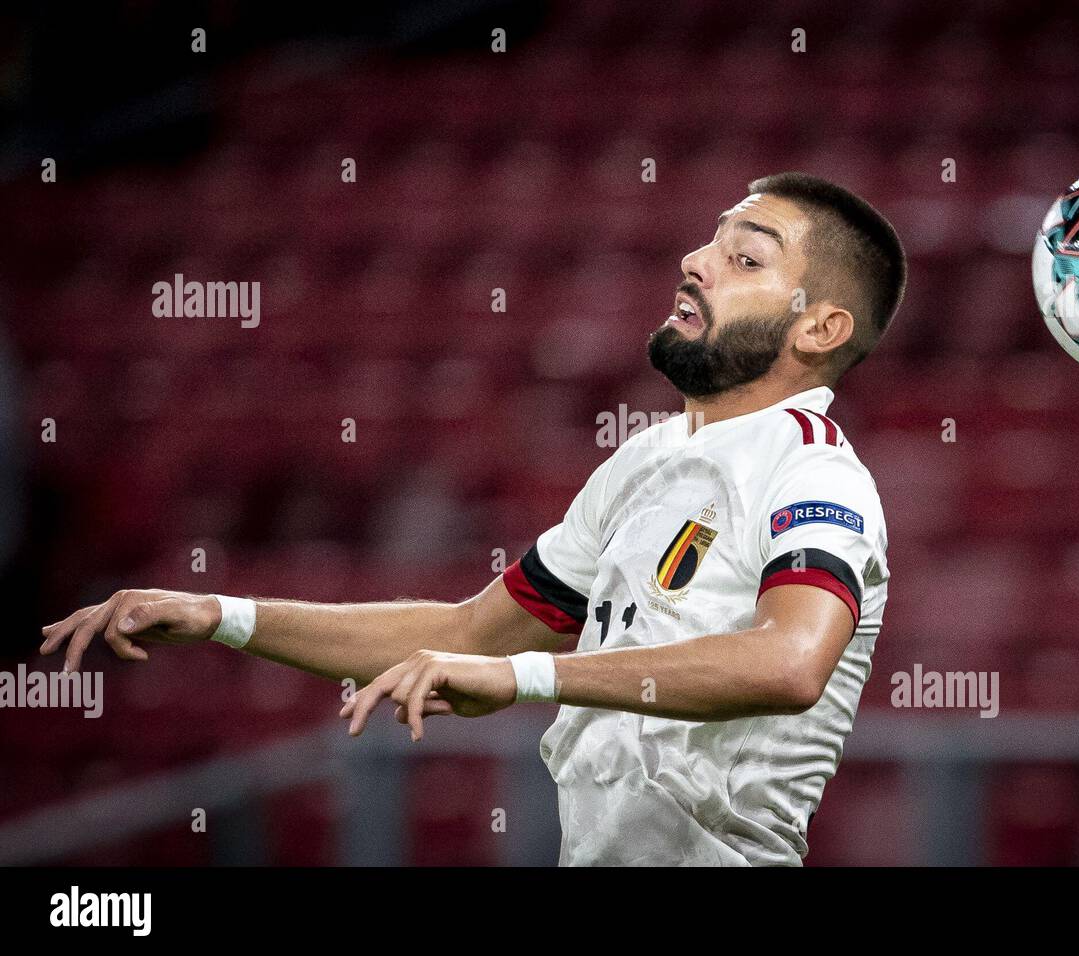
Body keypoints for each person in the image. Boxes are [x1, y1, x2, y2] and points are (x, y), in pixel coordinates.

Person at [41, 172, 907, 866]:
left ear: (822, 327)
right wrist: (221, 617)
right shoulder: (642, 464)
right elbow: (472, 637)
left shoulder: (814, 471)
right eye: (710, 239)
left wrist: (531, 682)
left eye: (746, 259)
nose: (694, 260)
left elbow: (791, 661)